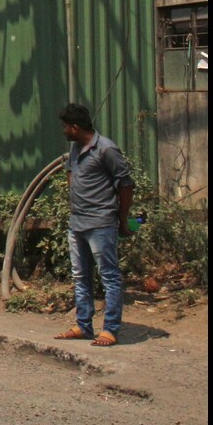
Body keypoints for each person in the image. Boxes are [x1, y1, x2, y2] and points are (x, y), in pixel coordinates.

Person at [52, 103, 136, 347]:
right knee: (80, 276)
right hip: (77, 222)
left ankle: (110, 329)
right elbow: (71, 173)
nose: (64, 130)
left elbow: (126, 184)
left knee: (108, 276)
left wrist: (122, 217)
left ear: (75, 127)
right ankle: (83, 325)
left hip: (101, 222)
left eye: (66, 126)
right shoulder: (76, 148)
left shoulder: (106, 149)